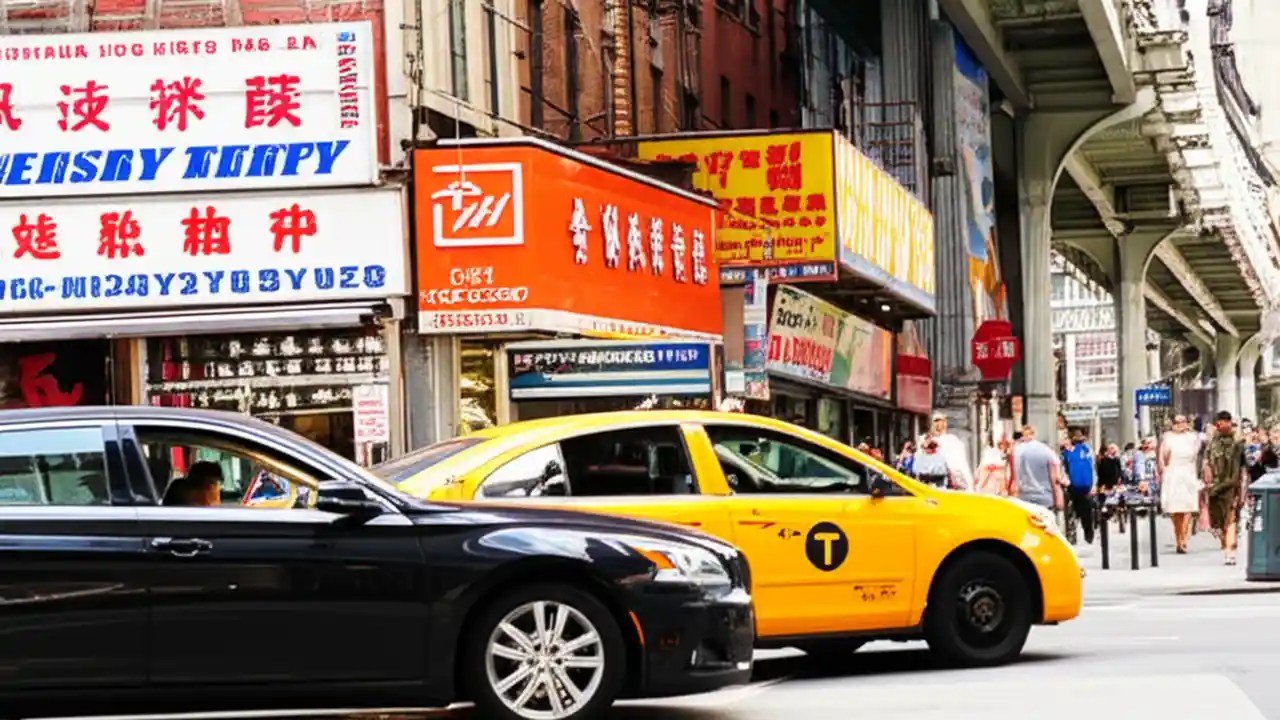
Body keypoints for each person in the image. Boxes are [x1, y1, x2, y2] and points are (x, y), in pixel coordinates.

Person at [1203, 410, 1246, 565]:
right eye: (1219, 422)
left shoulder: (1238, 443)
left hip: (1231, 487)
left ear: (1229, 422)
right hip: (1214, 486)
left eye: (1224, 422)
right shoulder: (1212, 443)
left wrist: (1243, 489)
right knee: (1219, 522)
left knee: (1231, 519)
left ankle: (1231, 551)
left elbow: (1242, 468)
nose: (1221, 425)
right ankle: (1226, 546)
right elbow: (1206, 462)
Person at [1158, 414, 1201, 553]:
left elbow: (1197, 455)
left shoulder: (1193, 437)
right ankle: (1178, 539)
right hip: (1173, 473)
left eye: (1183, 421)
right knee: (1175, 510)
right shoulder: (1167, 437)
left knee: (1188, 507)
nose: (1180, 424)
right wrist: (1163, 470)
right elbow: (1162, 458)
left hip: (1188, 473)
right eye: (1177, 422)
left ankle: (1184, 538)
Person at [1014, 425, 1063, 512]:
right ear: (1034, 434)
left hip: (1023, 498)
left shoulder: (1015, 451)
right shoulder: (1046, 450)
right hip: (1044, 498)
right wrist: (1058, 500)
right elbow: (1055, 478)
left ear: (1022, 435)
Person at [1061, 430, 1097, 544]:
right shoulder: (1087, 450)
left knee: (1074, 509)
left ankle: (1073, 533)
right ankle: (1088, 532)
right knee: (1085, 509)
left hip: (1074, 485)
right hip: (1087, 484)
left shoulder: (1067, 452)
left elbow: (1065, 468)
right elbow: (1093, 467)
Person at [922, 412, 973, 491]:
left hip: (950, 480)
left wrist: (969, 484)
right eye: (935, 421)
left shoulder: (952, 440)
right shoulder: (926, 440)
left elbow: (962, 463)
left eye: (940, 421)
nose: (937, 425)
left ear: (945, 424)